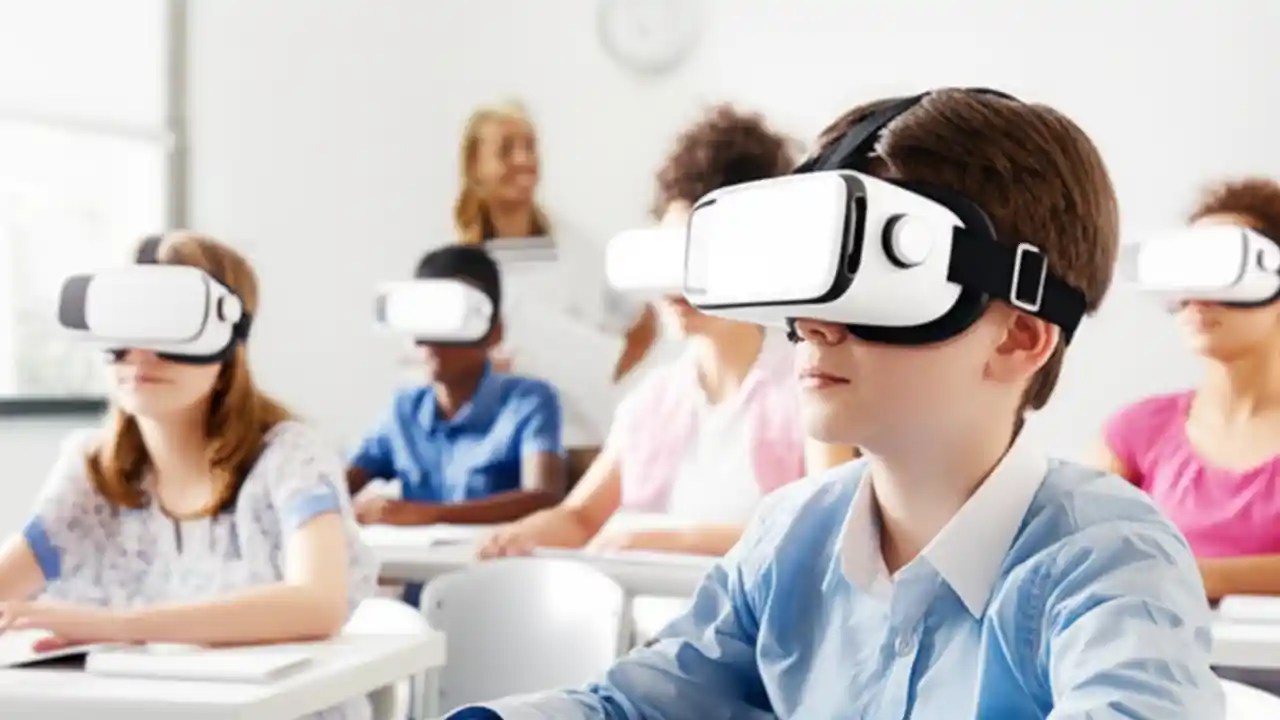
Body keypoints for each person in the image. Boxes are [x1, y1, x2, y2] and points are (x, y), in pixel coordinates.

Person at [454, 89, 1221, 718]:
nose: (815, 323)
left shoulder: (1110, 562)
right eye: (816, 278)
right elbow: (639, 706)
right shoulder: (791, 538)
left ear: (1020, 337)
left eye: (885, 280)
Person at [0, 232, 378, 720]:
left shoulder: (288, 457)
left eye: (168, 327)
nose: (140, 353)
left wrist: (109, 627)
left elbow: (318, 603)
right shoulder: (92, 469)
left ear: (227, 342)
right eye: (126, 326)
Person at [479, 105, 855, 561]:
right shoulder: (653, 401)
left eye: (695, 256)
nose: (673, 282)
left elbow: (821, 536)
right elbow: (580, 518)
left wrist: (667, 540)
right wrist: (514, 537)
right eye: (668, 253)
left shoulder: (809, 387)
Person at [1097, 177, 1280, 602]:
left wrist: (1197, 576)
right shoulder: (1138, 431)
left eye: (1222, 271)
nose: (1197, 297)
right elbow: (1067, 539)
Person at [451, 101, 654, 449]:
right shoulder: (455, 267)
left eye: (529, 147)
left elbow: (644, 321)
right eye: (506, 149)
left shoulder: (578, 249)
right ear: (475, 166)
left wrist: (605, 376)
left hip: (578, 442)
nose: (523, 160)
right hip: (495, 445)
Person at [347, 245, 566, 529]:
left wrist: (430, 515)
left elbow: (544, 498)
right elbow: (340, 486)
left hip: (498, 570)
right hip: (420, 572)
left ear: (495, 331)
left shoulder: (529, 401)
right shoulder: (403, 409)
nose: (430, 341)